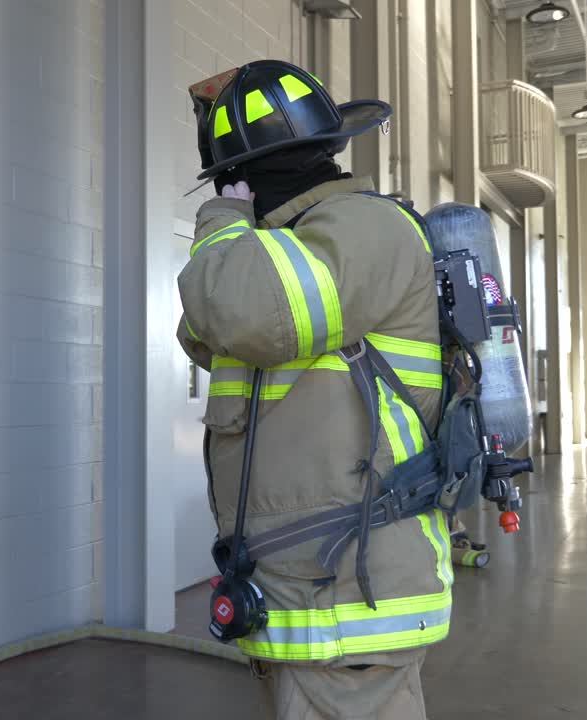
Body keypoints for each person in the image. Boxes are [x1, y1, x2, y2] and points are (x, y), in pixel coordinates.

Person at [177, 60, 452, 720]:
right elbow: (202, 330)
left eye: (230, 182)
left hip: (351, 599)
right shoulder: (291, 247)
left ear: (253, 177)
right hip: (301, 588)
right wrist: (244, 236)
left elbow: (244, 310)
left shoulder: (362, 228)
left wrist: (223, 218)